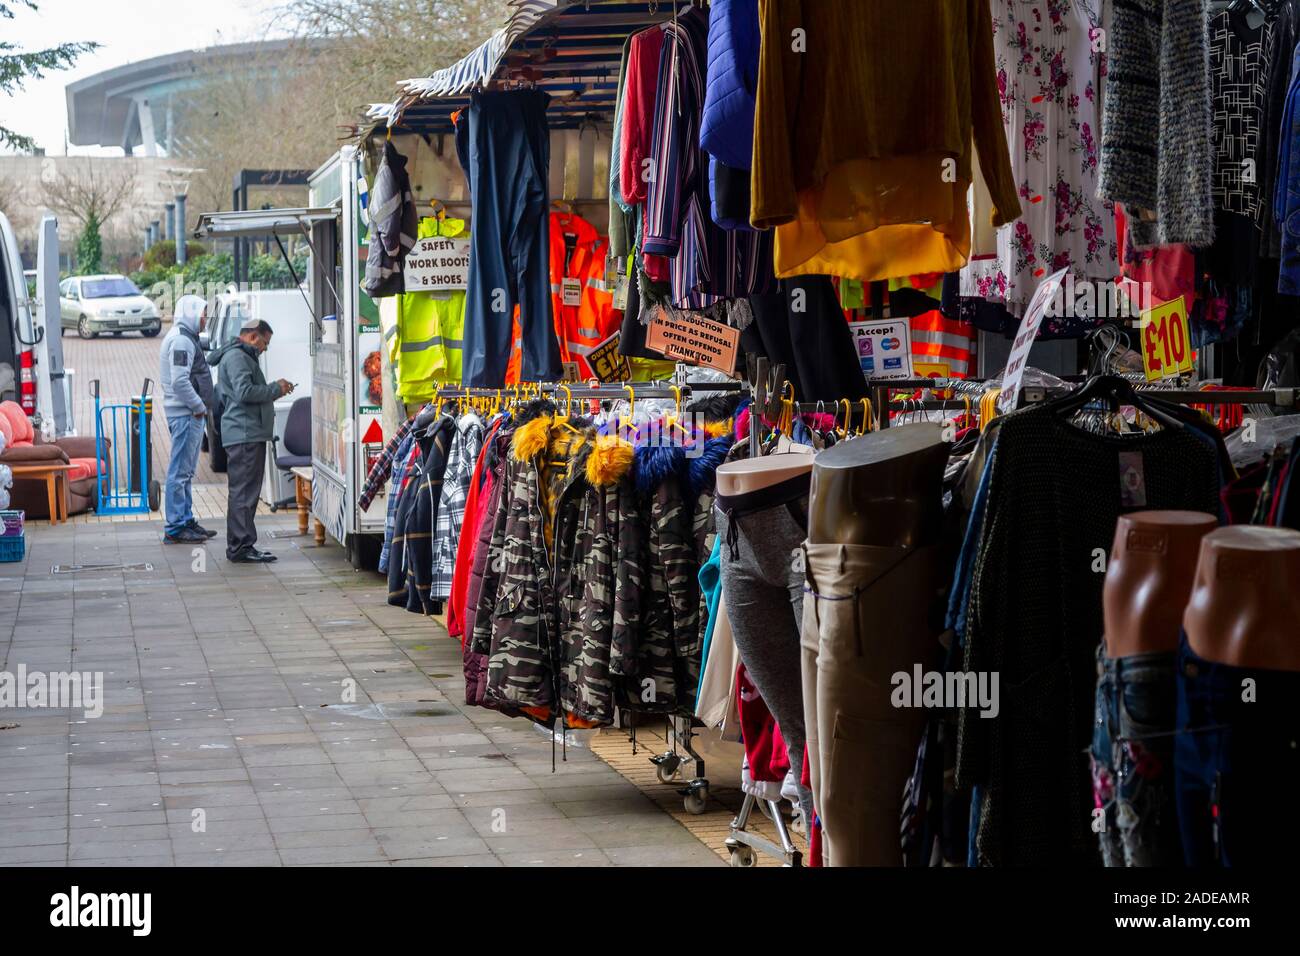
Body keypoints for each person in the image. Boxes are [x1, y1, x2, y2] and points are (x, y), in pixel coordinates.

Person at [211, 317, 294, 563]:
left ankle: (242, 544)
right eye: (264, 342)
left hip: (246, 432)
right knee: (244, 493)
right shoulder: (237, 358)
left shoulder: (241, 356)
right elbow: (244, 392)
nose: (265, 348)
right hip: (244, 434)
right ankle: (240, 546)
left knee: (244, 492)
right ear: (253, 336)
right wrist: (275, 389)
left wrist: (273, 392)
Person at [158, 294, 218, 544]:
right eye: (203, 313)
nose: (205, 319)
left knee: (185, 471)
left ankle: (185, 520)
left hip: (188, 414)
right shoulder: (181, 341)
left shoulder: (185, 337)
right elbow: (180, 380)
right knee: (179, 471)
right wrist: (198, 407)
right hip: (186, 415)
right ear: (192, 313)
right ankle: (175, 527)